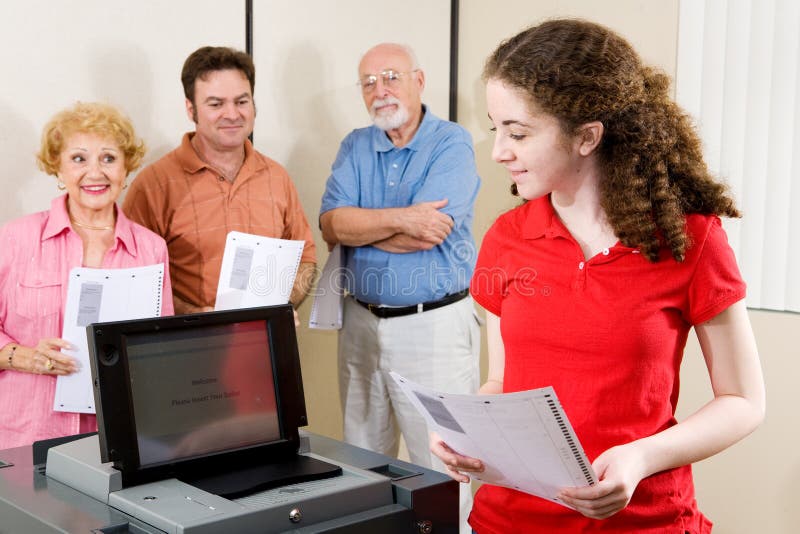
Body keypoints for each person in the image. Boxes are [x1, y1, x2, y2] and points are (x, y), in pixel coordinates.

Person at [430, 19, 765, 533]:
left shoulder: (690, 239)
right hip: (507, 520)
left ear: (587, 136)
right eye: (496, 129)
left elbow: (742, 401)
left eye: (518, 133)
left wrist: (641, 457)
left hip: (644, 522)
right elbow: (503, 381)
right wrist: (467, 431)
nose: (498, 151)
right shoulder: (506, 237)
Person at [319, 43, 481, 531]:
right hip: (360, 324)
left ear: (419, 80)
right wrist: (402, 219)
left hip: (434, 325)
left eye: (391, 76)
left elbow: (431, 231)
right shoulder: (355, 146)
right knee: (362, 463)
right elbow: (331, 225)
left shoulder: (451, 143)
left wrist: (364, 227)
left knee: (445, 466)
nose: (380, 90)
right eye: (368, 82)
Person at [0, 102, 174, 450]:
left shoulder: (151, 249)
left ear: (126, 167)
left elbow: (160, 348)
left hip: (114, 437)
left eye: (108, 158)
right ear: (58, 167)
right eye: (79, 158)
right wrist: (24, 356)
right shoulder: (15, 238)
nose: (95, 172)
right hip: (23, 435)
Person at [123, 46, 316, 314]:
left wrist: (279, 310)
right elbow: (133, 280)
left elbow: (305, 257)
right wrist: (196, 318)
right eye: (216, 104)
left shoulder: (277, 177)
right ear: (191, 109)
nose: (232, 114)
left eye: (241, 101)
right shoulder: (153, 185)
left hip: (268, 335)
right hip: (187, 338)